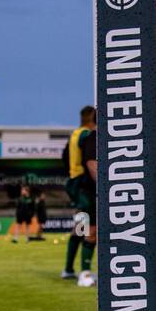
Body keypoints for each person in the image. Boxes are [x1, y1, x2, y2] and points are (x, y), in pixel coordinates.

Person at [62, 105, 98, 283]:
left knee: (79, 228)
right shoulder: (87, 136)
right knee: (91, 229)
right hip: (85, 185)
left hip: (75, 183)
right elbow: (90, 159)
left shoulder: (74, 134)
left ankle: (68, 269)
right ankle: (85, 272)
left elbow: (64, 157)